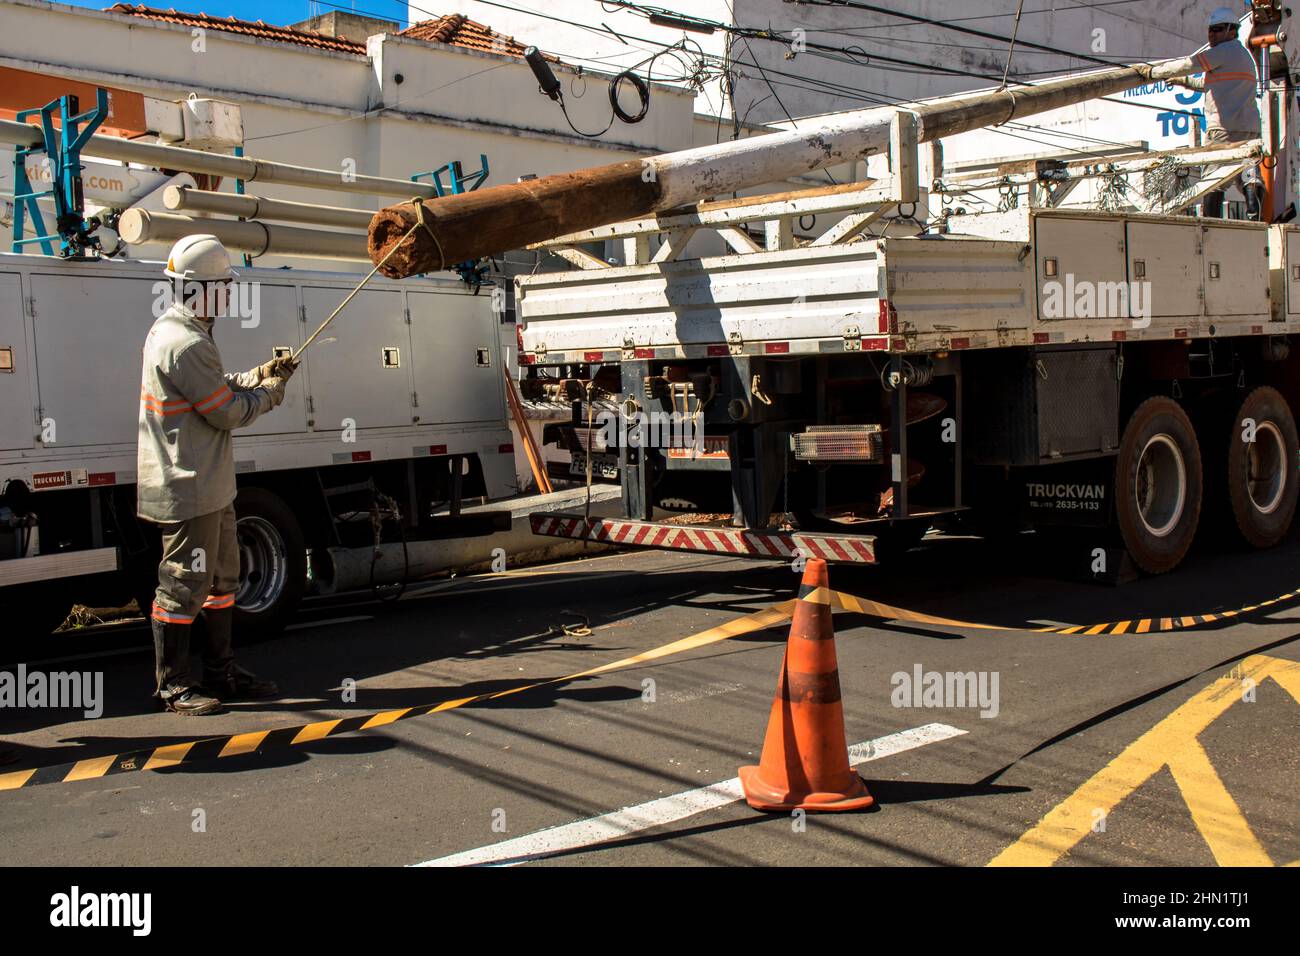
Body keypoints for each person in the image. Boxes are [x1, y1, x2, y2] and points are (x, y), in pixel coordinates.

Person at [138, 234, 297, 715]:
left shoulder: (187, 331)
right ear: (201, 287)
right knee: (184, 582)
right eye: (224, 284)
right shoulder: (184, 342)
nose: (230, 292)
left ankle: (221, 672)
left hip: (210, 483)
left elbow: (219, 387)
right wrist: (270, 394)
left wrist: (264, 372)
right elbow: (225, 412)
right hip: (188, 487)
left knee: (222, 578)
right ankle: (173, 686)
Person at [1180, 7, 1263, 219]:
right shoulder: (1242, 56)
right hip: (1249, 129)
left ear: (1230, 30)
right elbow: (1206, 82)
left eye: (1216, 30)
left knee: (1213, 179)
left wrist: (1158, 72)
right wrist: (1183, 82)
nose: (1211, 35)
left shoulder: (1223, 51)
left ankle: (1211, 226)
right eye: (1210, 30)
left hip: (1224, 128)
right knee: (1249, 174)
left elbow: (1192, 64)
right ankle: (1257, 218)